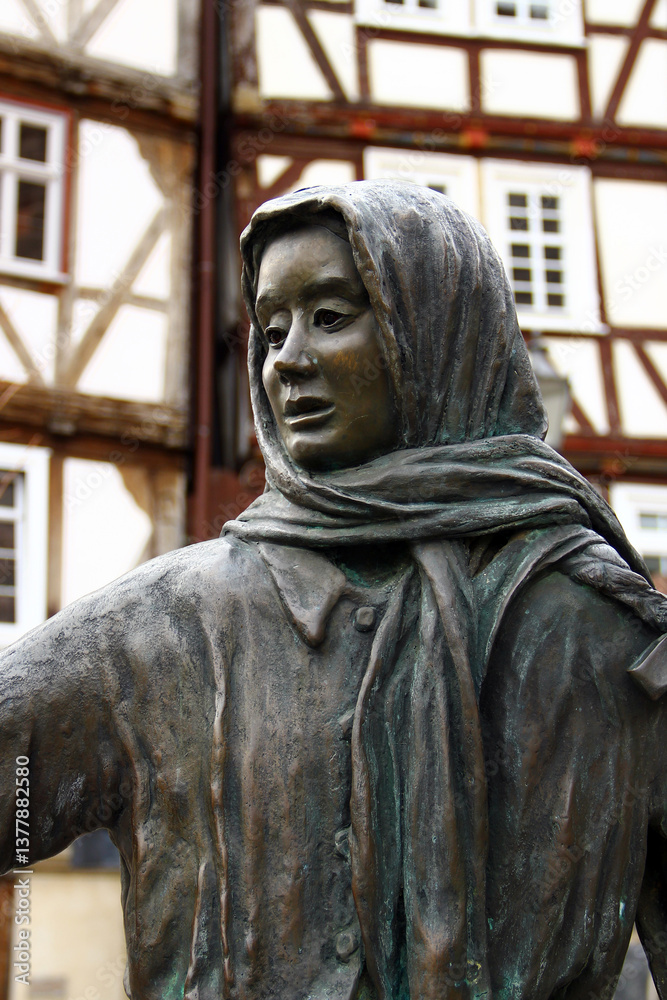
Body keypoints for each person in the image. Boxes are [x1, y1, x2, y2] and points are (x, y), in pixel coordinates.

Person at [1, 180, 666, 1000]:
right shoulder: (166, 629)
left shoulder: (608, 636)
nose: (288, 359)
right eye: (272, 329)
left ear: (437, 334)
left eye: (331, 315)